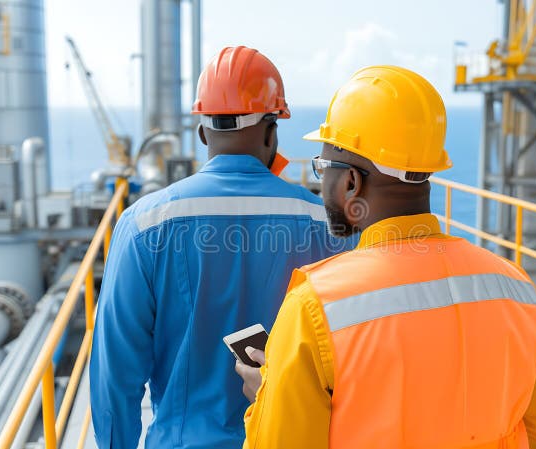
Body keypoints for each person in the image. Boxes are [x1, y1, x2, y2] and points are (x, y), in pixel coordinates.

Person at [237, 65, 536, 449]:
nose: (320, 183)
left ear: (352, 182)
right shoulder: (517, 289)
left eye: (323, 168)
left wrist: (267, 399)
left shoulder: (315, 307)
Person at [90, 46, 349, 449]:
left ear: (201, 133)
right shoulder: (328, 224)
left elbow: (114, 376)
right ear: (271, 131)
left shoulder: (143, 224)